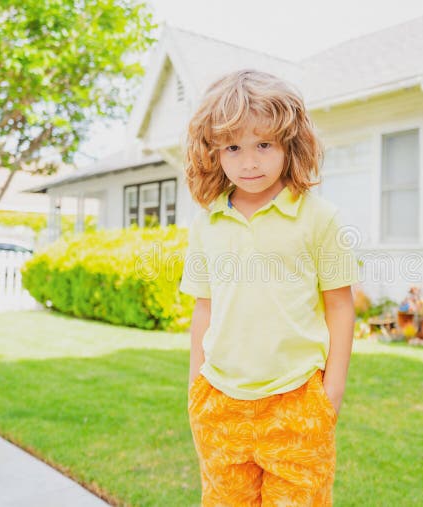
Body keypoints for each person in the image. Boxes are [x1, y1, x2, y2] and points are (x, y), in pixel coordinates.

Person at [179, 69, 359, 506]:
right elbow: (204, 308)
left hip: (297, 400)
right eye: (234, 147)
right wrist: (195, 390)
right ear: (214, 152)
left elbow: (339, 306)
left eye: (263, 144)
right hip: (220, 402)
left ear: (289, 144)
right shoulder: (207, 223)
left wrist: (330, 394)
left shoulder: (319, 217)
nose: (249, 161)